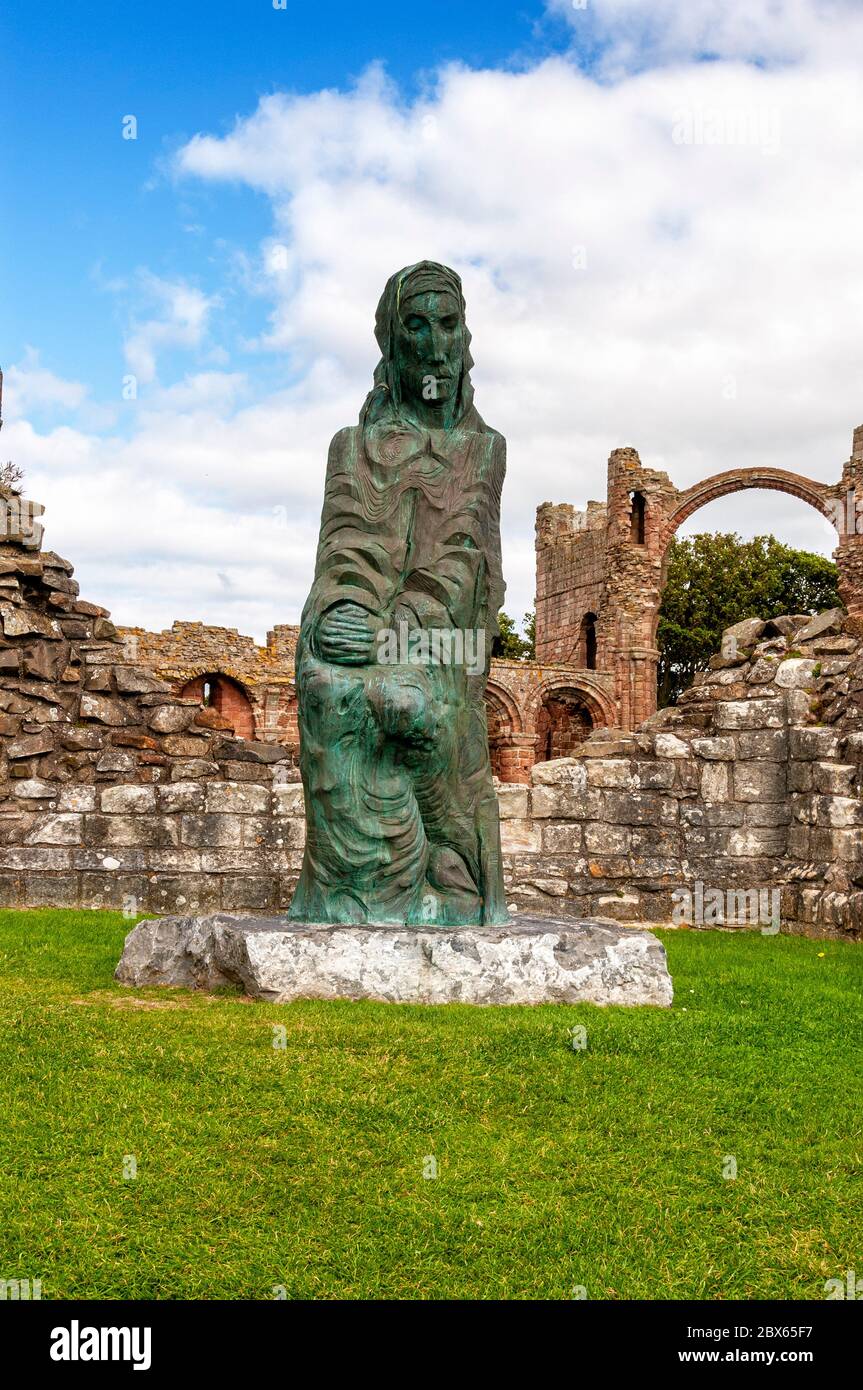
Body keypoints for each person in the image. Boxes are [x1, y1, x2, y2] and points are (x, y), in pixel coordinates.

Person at [288, 261, 509, 926]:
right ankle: (358, 895)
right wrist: (343, 609)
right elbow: (344, 544)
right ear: (391, 337)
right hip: (366, 623)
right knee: (329, 688)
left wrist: (398, 632)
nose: (433, 344)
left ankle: (447, 880)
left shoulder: (482, 449)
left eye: (447, 324)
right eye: (415, 325)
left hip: (441, 635)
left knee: (404, 702)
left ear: (463, 335)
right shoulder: (352, 446)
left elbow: (461, 557)